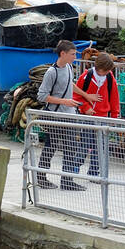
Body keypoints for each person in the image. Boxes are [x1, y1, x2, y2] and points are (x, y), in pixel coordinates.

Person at [35, 40, 92, 190]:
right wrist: (65, 102)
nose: (75, 56)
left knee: (71, 147)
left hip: (69, 115)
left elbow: (69, 83)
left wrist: (86, 95)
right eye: (72, 54)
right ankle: (41, 177)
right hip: (55, 115)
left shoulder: (68, 67)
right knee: (51, 146)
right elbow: (41, 96)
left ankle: (67, 181)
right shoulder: (51, 72)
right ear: (63, 54)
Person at [74, 51, 119, 177]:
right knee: (85, 144)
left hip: (103, 116)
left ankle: (94, 172)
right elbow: (77, 95)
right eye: (104, 71)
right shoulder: (86, 76)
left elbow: (114, 98)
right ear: (98, 68)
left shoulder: (110, 78)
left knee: (101, 147)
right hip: (88, 117)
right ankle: (75, 168)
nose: (105, 73)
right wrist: (86, 107)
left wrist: (114, 116)